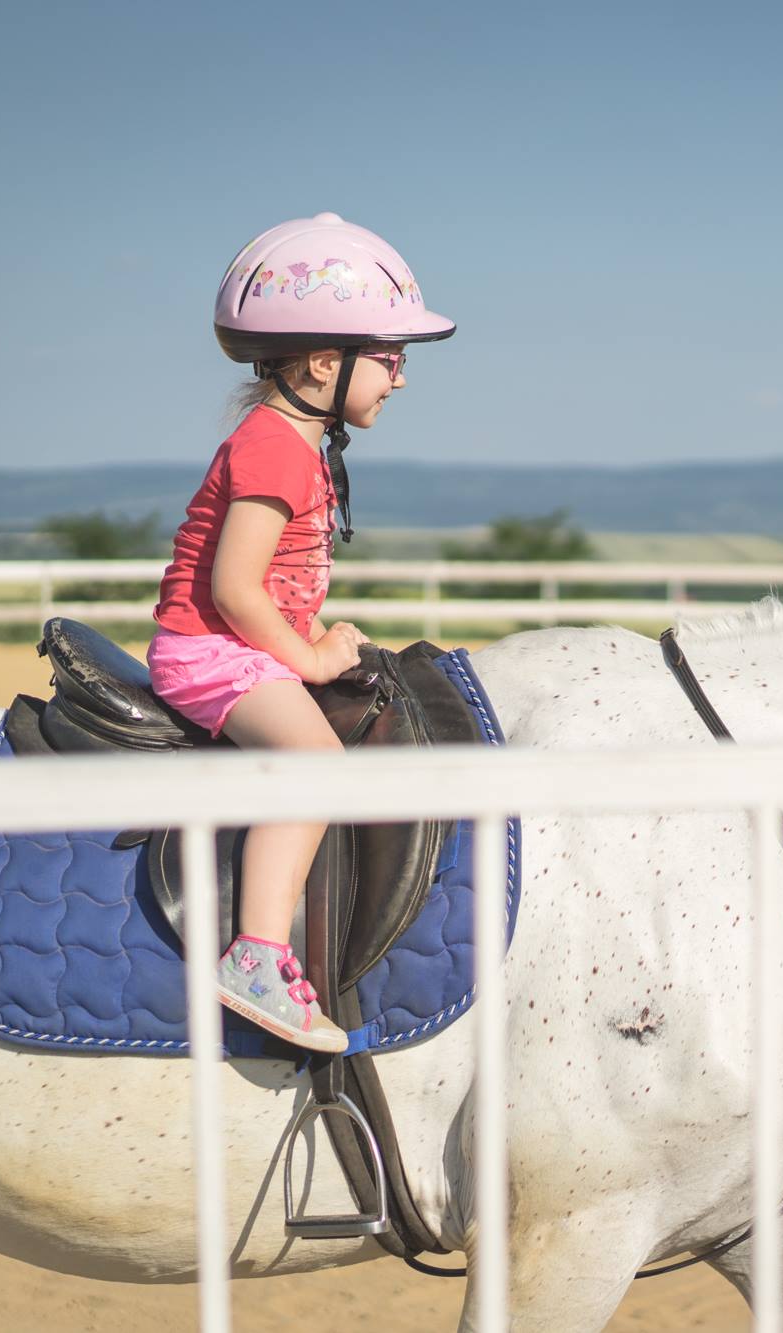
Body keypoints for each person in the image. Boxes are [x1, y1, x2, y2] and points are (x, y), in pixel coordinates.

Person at [149, 213, 455, 1052]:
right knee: (316, 763)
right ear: (325, 362)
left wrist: (319, 631)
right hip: (209, 650)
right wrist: (310, 658)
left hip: (236, 640)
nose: (399, 378)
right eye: (389, 358)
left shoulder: (295, 443)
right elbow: (234, 588)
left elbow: (278, 586)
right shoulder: (277, 450)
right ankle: (255, 956)